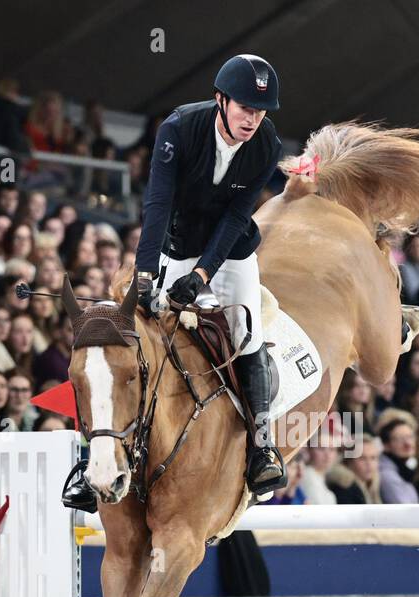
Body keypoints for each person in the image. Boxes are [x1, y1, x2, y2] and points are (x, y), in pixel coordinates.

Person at [132, 54, 287, 494]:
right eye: (244, 108)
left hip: (230, 250)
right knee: (146, 327)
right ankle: (112, 452)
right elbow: (158, 205)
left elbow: (238, 215)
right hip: (177, 242)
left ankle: (262, 446)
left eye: (259, 111)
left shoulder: (266, 144)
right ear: (221, 100)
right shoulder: (178, 130)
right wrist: (145, 276)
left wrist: (202, 275)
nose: (252, 119)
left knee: (245, 332)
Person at [327, 434, 383, 505]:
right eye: (362, 458)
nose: (369, 464)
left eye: (373, 458)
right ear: (349, 461)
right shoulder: (344, 488)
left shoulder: (373, 484)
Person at [377, 416, 419, 504]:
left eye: (410, 437)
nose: (408, 443)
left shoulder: (404, 470)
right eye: (400, 439)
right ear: (386, 445)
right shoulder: (387, 475)